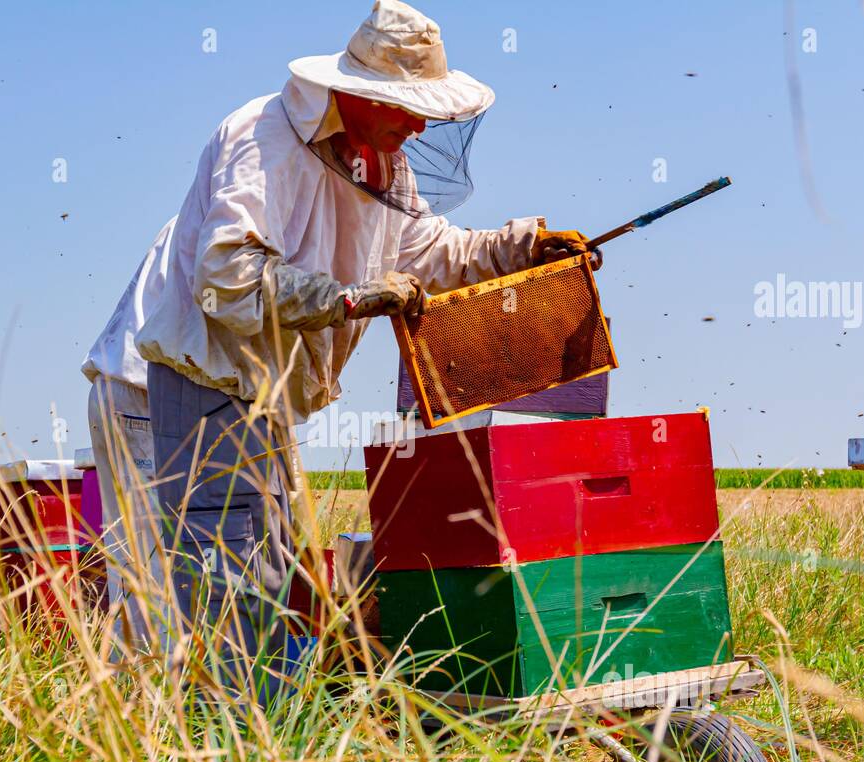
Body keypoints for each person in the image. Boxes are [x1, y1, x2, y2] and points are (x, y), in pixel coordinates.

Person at [81, 0, 601, 700]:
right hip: (161, 383)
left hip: (252, 392)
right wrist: (348, 299)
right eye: (406, 107)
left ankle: (247, 749)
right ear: (358, 93)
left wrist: (521, 246)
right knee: (181, 595)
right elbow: (226, 278)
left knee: (266, 578)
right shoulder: (261, 137)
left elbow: (432, 254)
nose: (418, 125)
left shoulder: (386, 169)